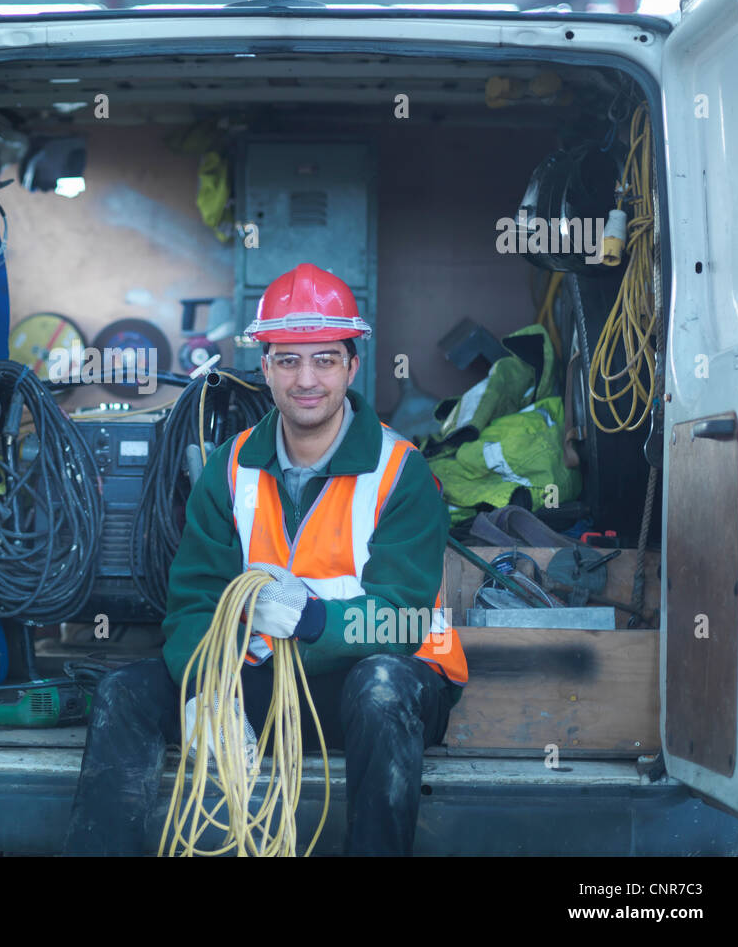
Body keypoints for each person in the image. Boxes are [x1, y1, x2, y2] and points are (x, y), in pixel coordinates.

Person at [62, 263, 467, 856]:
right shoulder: (230, 467)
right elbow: (195, 601)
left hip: (378, 691)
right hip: (263, 686)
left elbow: (403, 617)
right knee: (126, 691)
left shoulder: (401, 471)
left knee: (381, 688)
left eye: (325, 359)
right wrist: (205, 689)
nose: (307, 379)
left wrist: (311, 621)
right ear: (266, 368)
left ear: (352, 366)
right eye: (288, 360)